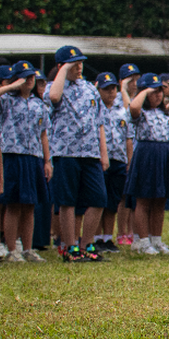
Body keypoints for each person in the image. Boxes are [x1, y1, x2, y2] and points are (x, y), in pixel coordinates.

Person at [45, 45, 110, 262]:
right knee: (68, 201)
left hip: (90, 152)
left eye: (81, 63)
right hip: (66, 152)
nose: (79, 67)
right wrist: (64, 70)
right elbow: (54, 97)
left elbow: (99, 121)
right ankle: (70, 247)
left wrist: (104, 153)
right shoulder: (53, 87)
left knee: (99, 198)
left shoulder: (90, 88)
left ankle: (86, 244)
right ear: (61, 66)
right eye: (74, 64)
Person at [0, 62, 50, 262]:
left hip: (33, 157)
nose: (29, 81)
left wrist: (47, 160)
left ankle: (28, 248)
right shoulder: (6, 100)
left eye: (31, 77)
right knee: (13, 205)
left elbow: (43, 133)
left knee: (30, 205)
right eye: (24, 77)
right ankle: (12, 250)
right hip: (12, 155)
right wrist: (10, 87)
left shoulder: (38, 103)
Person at [125, 73, 169, 256]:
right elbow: (133, 107)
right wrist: (145, 90)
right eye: (154, 92)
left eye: (160, 92)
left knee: (160, 200)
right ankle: (143, 240)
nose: (158, 95)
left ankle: (156, 239)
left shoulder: (165, 115)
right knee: (143, 200)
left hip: (163, 156)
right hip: (146, 156)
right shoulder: (140, 114)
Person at [95, 72, 132, 252]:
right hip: (100, 160)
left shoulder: (121, 112)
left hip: (118, 159)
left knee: (113, 201)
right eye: (106, 89)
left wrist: (129, 161)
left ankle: (107, 238)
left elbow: (128, 138)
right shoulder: (95, 109)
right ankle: (95, 237)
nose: (111, 93)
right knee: (97, 199)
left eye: (113, 89)